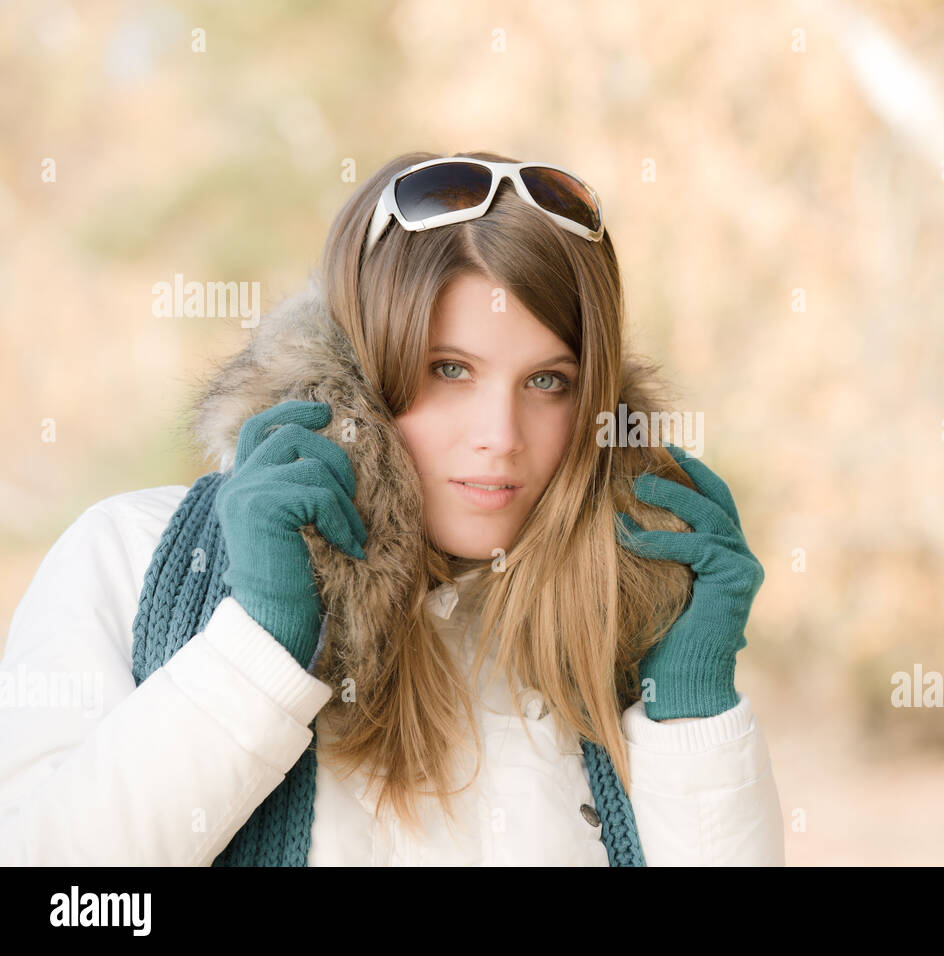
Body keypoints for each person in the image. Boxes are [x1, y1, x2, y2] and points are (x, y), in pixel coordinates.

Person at [0, 150, 784, 865]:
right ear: (353, 372)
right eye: (449, 369)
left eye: (549, 381)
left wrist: (691, 710)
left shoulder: (613, 627)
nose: (500, 438)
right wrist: (257, 649)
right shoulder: (131, 554)